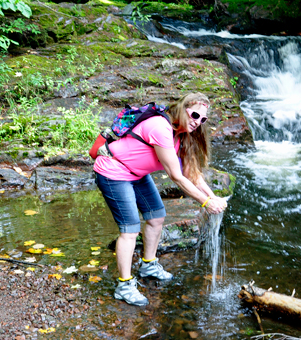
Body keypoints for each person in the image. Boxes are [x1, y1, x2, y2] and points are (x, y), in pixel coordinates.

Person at [94, 92, 228, 306]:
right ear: (183, 109)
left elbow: (193, 173)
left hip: (136, 174)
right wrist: (205, 203)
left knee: (157, 216)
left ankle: (148, 265)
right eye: (195, 115)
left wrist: (213, 196)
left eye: (203, 119)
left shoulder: (182, 134)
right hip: (114, 171)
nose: (198, 122)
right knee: (130, 229)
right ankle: (124, 285)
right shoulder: (160, 127)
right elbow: (176, 176)